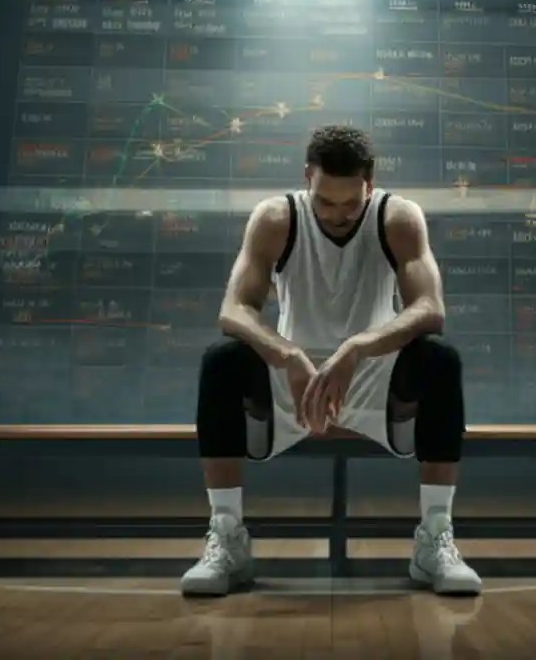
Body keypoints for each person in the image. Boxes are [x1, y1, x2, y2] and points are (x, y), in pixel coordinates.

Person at [180, 125, 481, 596]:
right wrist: (288, 353)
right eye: (325, 202)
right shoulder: (276, 218)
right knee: (221, 361)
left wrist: (357, 347)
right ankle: (227, 537)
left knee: (441, 360)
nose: (337, 215)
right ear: (307, 180)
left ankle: (434, 538)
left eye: (349, 204)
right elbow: (233, 309)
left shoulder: (397, 218)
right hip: (294, 382)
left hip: (371, 377)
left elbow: (430, 308)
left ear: (370, 184)